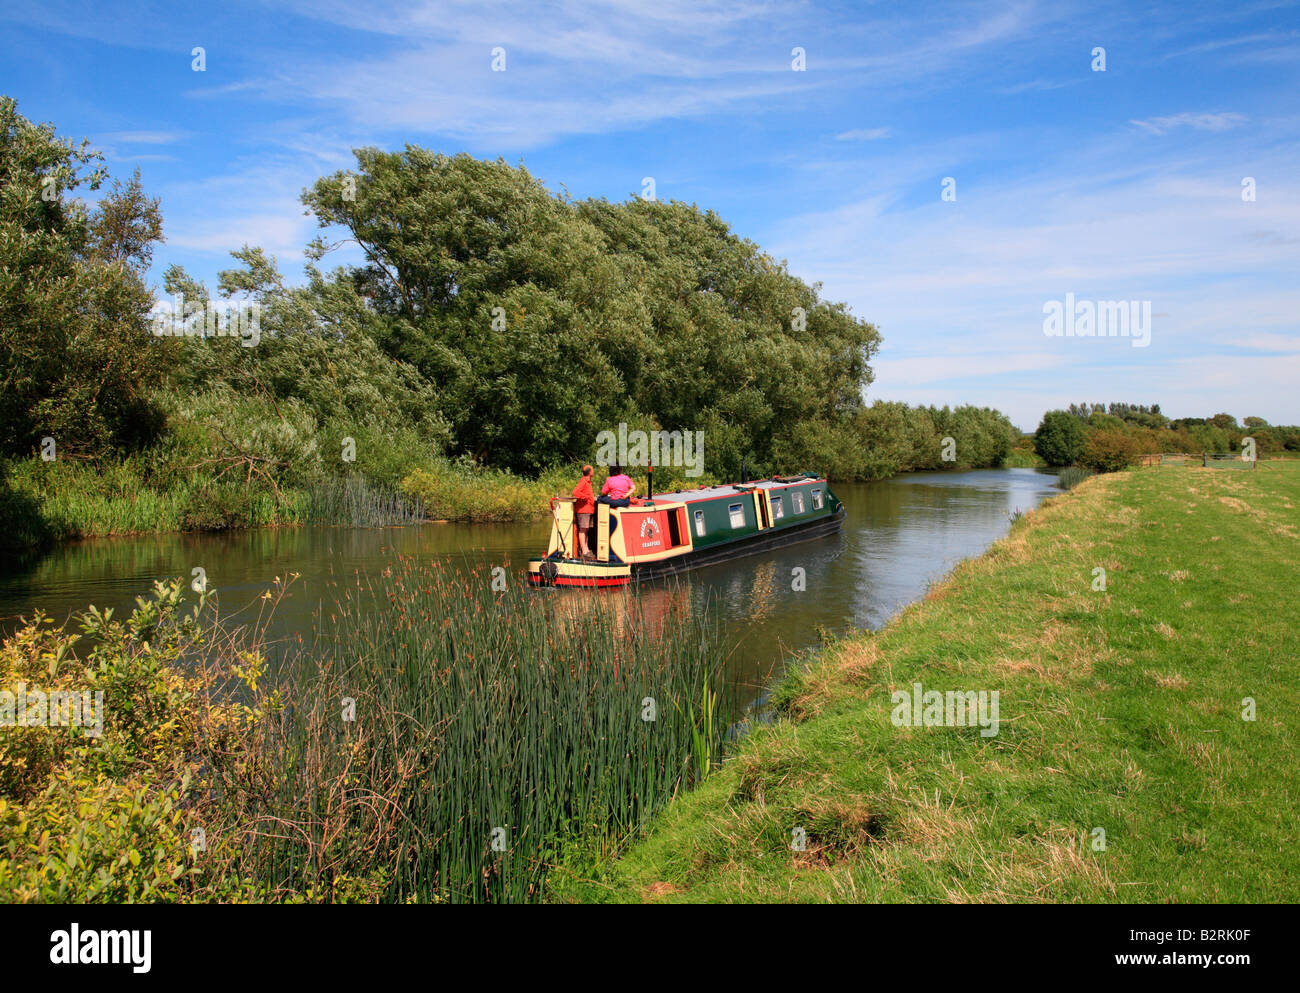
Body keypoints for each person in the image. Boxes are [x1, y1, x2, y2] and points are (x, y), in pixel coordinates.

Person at [572, 465, 596, 559]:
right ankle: (584, 550)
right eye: (593, 470)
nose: (593, 472)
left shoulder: (588, 482)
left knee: (586, 529)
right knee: (583, 529)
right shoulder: (583, 481)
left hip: (589, 509)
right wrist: (585, 497)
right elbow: (575, 492)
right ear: (589, 472)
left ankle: (586, 548)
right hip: (583, 509)